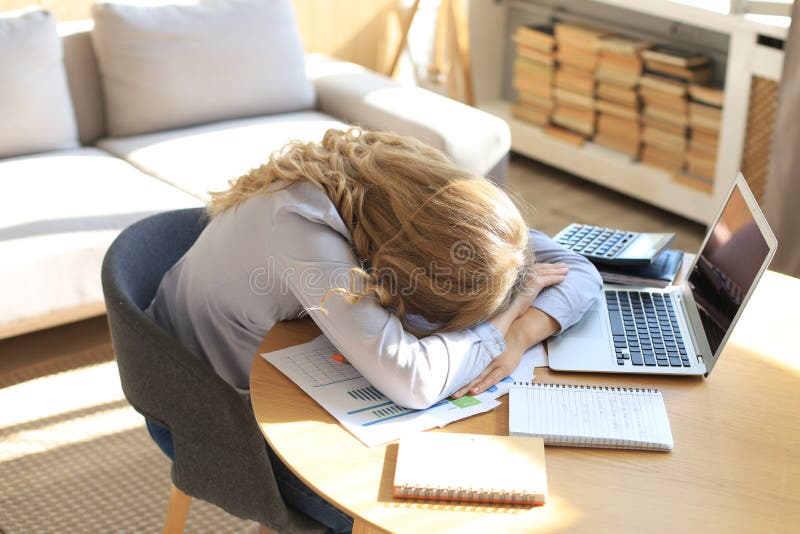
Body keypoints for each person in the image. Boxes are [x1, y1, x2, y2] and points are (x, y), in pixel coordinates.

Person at [144, 128, 602, 533]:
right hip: (212, 407)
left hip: (277, 363)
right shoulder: (302, 228)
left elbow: (577, 269)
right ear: (406, 263)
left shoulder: (416, 194)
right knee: (420, 514)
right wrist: (507, 317)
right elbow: (413, 381)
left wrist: (522, 335)